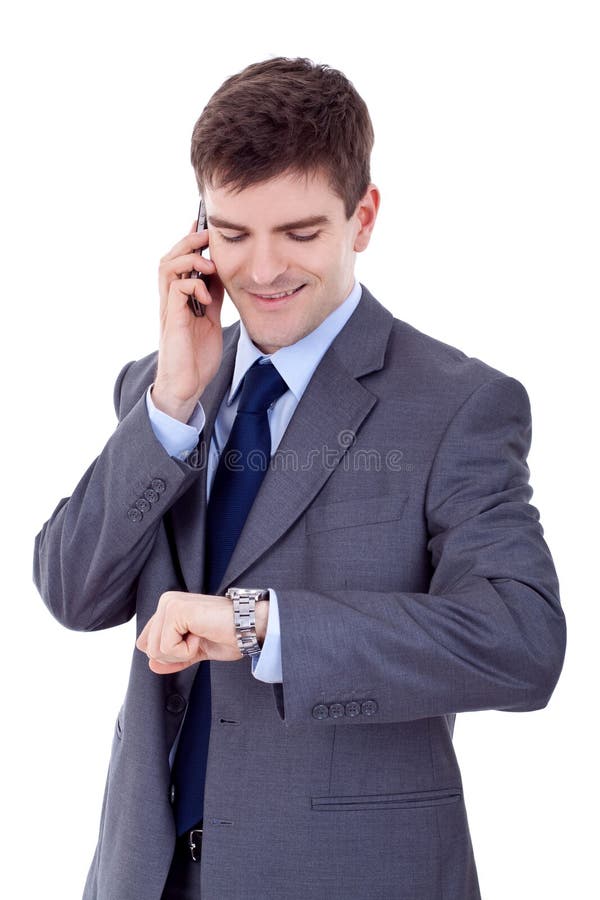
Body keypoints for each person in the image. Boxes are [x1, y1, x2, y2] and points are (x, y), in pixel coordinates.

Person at [33, 56, 567, 900]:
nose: (262, 271)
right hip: (145, 877)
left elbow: (521, 643)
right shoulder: (161, 385)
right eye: (232, 234)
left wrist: (261, 625)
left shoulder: (458, 405)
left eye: (300, 233)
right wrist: (172, 403)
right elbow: (73, 593)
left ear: (364, 217)